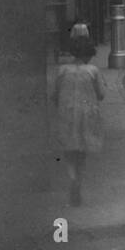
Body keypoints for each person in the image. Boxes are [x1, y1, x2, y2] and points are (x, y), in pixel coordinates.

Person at [52, 24, 105, 206]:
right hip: (87, 115)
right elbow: (101, 94)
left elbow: (55, 94)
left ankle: (72, 177)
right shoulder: (92, 71)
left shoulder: (63, 70)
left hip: (67, 113)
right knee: (82, 151)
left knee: (68, 150)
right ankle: (79, 181)